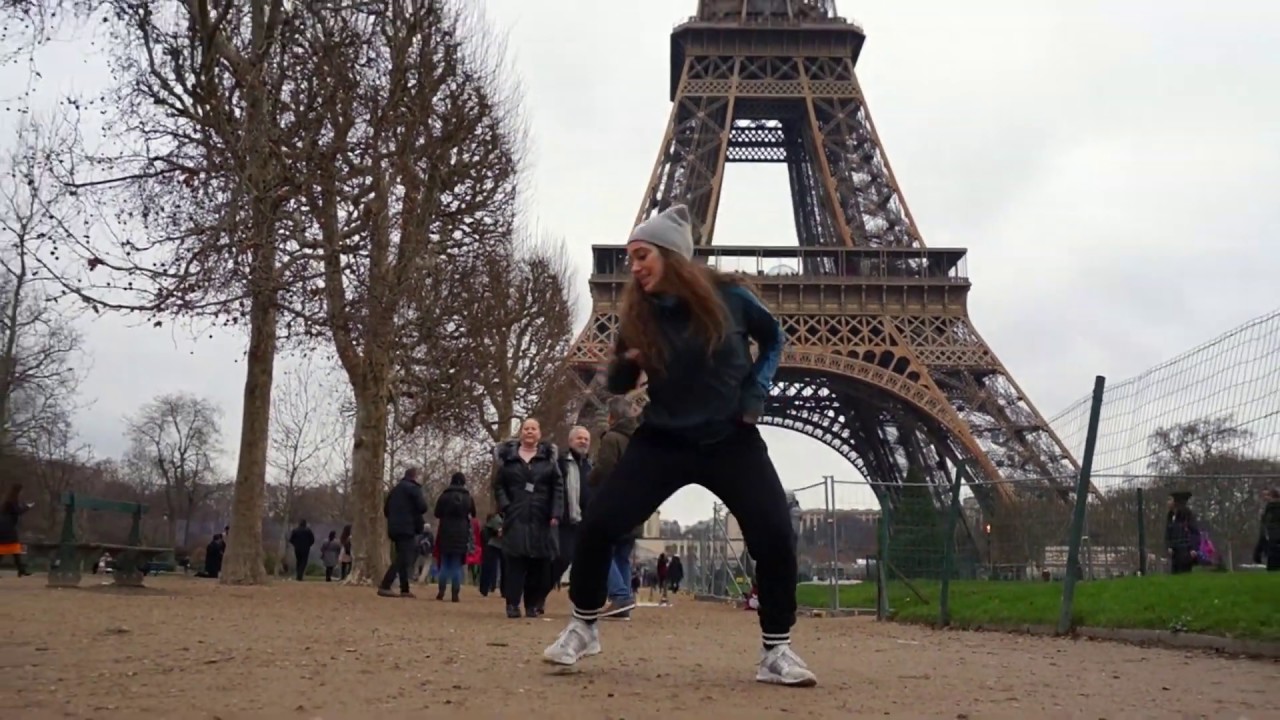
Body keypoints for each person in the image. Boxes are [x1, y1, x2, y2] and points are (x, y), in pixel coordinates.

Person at [541, 204, 816, 687]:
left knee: (774, 532)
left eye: (642, 254)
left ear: (671, 255)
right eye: (629, 257)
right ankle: (583, 626)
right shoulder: (640, 315)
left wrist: (756, 391)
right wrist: (626, 362)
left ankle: (776, 648)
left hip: (729, 438)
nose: (634, 265)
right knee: (600, 523)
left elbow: (774, 339)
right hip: (664, 438)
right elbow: (622, 382)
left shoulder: (730, 299)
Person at [494, 417, 564, 619]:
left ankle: (532, 604)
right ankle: (512, 604)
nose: (530, 432)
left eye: (534, 428)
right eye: (526, 428)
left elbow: (557, 488)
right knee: (514, 562)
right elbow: (499, 486)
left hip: (541, 517)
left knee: (538, 564)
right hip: (516, 516)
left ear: (539, 433)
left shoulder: (548, 461)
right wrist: (506, 505)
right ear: (521, 432)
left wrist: (555, 513)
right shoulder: (509, 460)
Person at [587, 395, 642, 619]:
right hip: (636, 506)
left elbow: (605, 470)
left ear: (611, 416)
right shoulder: (640, 440)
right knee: (621, 556)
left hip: (615, 504)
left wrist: (589, 479)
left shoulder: (611, 438)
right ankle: (624, 602)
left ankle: (620, 595)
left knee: (601, 552)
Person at [551, 426, 593, 595]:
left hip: (582, 520)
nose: (583, 442)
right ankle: (538, 594)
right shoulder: (560, 463)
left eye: (586, 439)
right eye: (579, 438)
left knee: (575, 561)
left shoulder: (590, 466)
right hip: (563, 519)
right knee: (561, 558)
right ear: (570, 441)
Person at [378, 467, 428, 598]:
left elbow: (386, 509)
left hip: (394, 527)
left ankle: (404, 589)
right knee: (403, 558)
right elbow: (423, 507)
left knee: (402, 556)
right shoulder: (413, 488)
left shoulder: (395, 490)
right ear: (414, 477)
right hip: (406, 527)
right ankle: (385, 584)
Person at [433, 472, 477, 602]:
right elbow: (473, 513)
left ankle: (441, 591)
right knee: (457, 564)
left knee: (445, 562)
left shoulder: (444, 496)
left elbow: (437, 513)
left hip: (445, 531)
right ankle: (455, 593)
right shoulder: (468, 497)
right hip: (461, 533)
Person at [0, 484, 34, 577]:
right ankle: (21, 570)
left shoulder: (8, 501)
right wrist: (28, 507)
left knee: (11, 549)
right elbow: (18, 511)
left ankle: (21, 569)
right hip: (7, 528)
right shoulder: (11, 501)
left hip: (4, 527)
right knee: (12, 548)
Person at [1165, 490, 1200, 574]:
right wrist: (1169, 546)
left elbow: (1195, 532)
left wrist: (1193, 548)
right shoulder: (1170, 516)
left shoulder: (1186, 515)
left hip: (1186, 549)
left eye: (1170, 500)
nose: (1167, 502)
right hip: (1175, 551)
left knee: (1184, 573)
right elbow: (1168, 533)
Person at [1253, 488, 1280, 571]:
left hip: (1272, 544)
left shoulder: (1269, 512)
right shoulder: (1268, 511)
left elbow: (1263, 533)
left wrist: (1257, 553)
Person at [479, 512, 504, 597]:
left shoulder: (496, 518)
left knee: (489, 566)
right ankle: (487, 587)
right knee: (493, 567)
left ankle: (485, 587)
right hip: (496, 544)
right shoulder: (497, 519)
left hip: (495, 544)